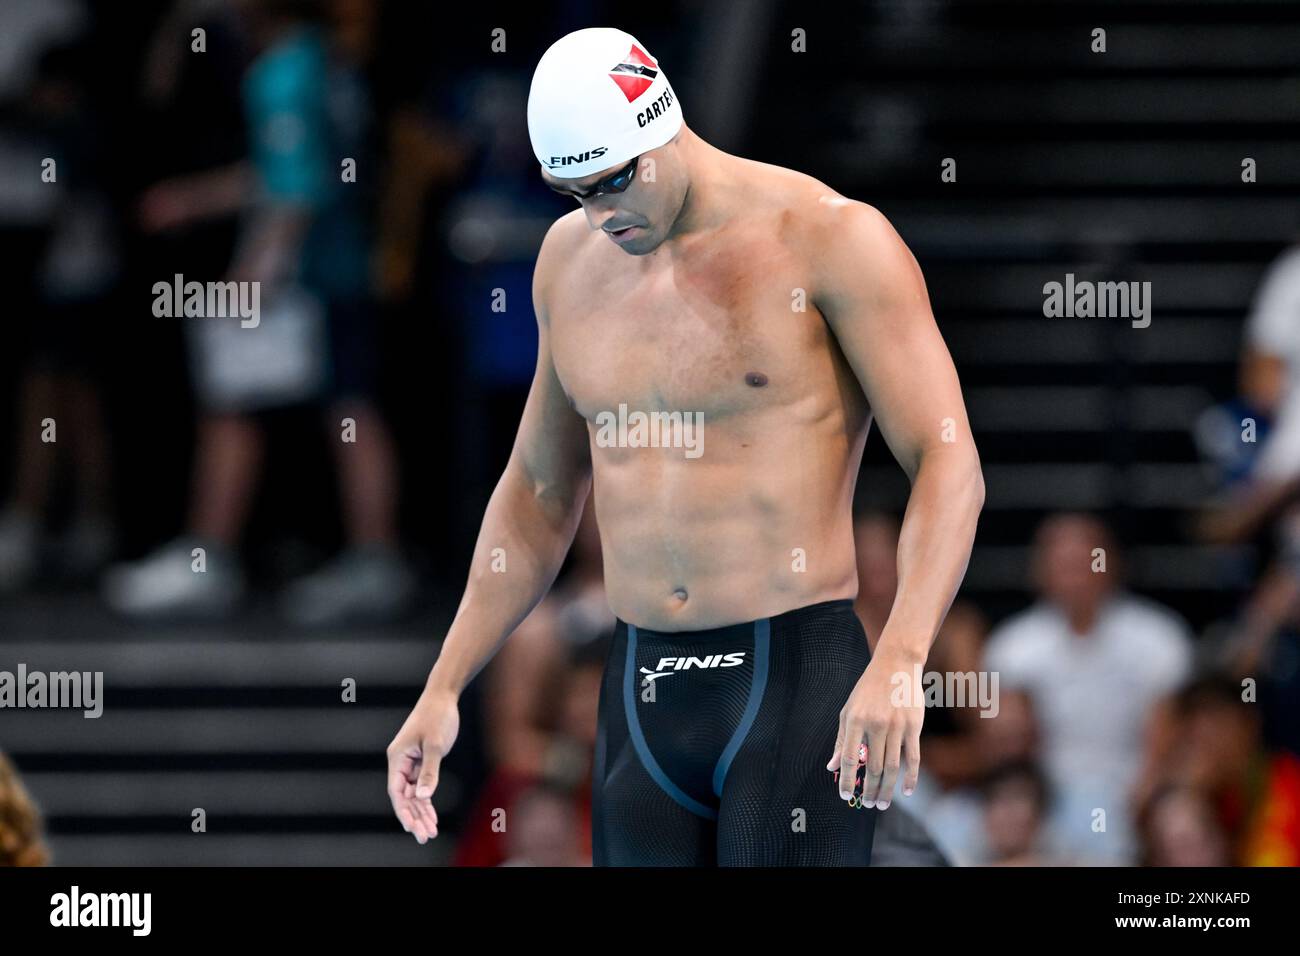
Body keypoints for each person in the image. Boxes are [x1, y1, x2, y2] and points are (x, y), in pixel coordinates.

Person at [387, 27, 983, 866]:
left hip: (793, 678)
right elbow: (537, 492)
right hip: (641, 697)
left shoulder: (828, 239)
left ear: (659, 123)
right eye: (573, 193)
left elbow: (947, 458)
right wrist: (446, 683)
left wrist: (902, 658)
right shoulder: (568, 263)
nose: (600, 216)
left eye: (611, 184)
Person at [983, 513, 1193, 864]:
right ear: (1040, 572)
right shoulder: (1012, 647)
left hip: (1131, 791)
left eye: (1085, 562)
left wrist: (1135, 806)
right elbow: (1008, 753)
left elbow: (1166, 748)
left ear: (1111, 565)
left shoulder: (1159, 638)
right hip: (1043, 793)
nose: (1075, 576)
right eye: (1062, 564)